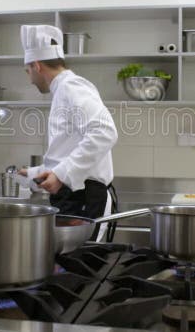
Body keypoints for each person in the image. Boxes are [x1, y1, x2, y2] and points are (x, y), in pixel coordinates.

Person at [17, 25, 118, 241]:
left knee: (79, 261)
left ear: (36, 65)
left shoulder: (71, 87)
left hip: (83, 199)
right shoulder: (63, 90)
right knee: (67, 261)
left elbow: (104, 131)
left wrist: (62, 174)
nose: (30, 79)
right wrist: (37, 172)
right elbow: (68, 151)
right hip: (74, 198)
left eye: (27, 71)